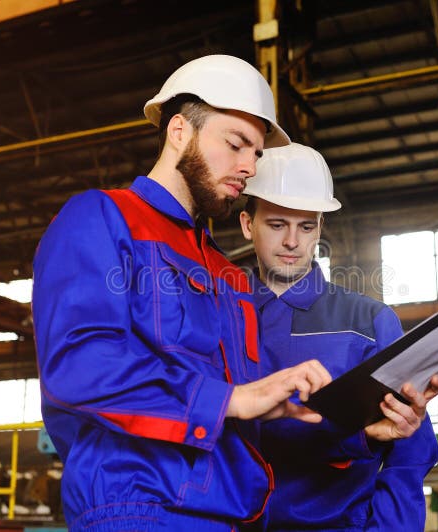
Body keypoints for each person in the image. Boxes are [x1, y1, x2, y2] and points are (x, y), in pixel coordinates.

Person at [32, 56, 333, 532]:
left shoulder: (229, 276)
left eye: (256, 154)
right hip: (137, 508)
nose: (248, 167)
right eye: (237, 145)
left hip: (234, 515)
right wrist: (226, 401)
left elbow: (253, 407)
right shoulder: (103, 219)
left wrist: (361, 426)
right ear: (178, 132)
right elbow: (79, 363)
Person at [239, 142, 438, 531]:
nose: (292, 242)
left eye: (307, 225)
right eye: (277, 224)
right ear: (248, 224)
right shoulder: (222, 318)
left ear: (321, 228)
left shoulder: (369, 322)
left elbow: (410, 453)